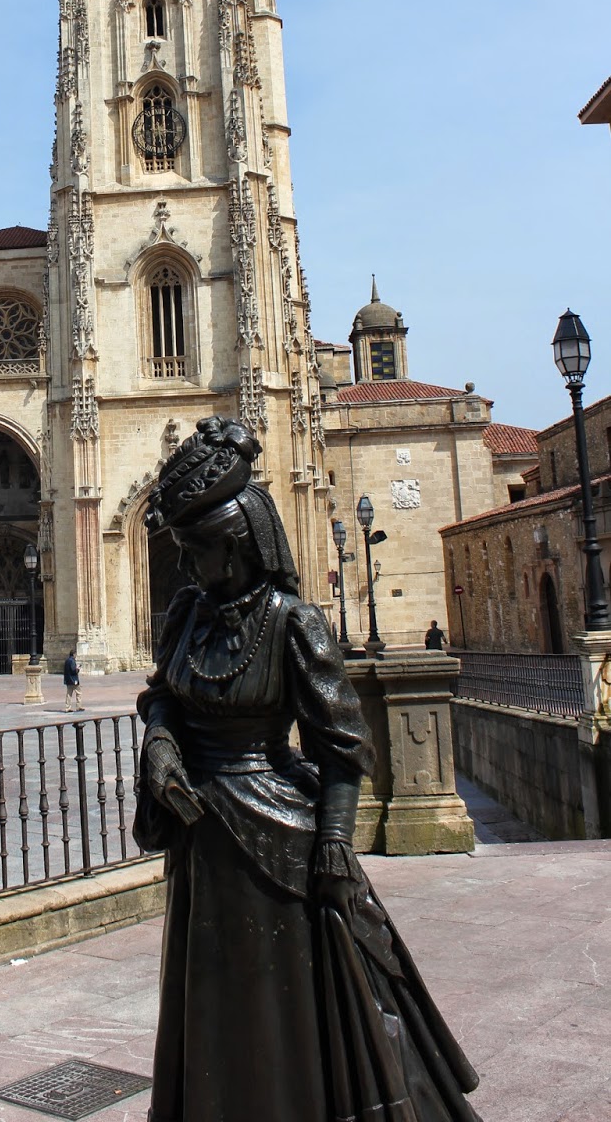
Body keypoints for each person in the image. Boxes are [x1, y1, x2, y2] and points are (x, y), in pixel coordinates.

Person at [135, 416, 482, 1122]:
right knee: (212, 997)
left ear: (237, 547)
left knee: (279, 1000)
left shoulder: (293, 622)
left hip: (277, 840)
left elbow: (342, 745)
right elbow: (162, 699)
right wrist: (162, 747)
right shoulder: (187, 617)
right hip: (203, 842)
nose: (190, 565)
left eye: (198, 550)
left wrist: (333, 842)